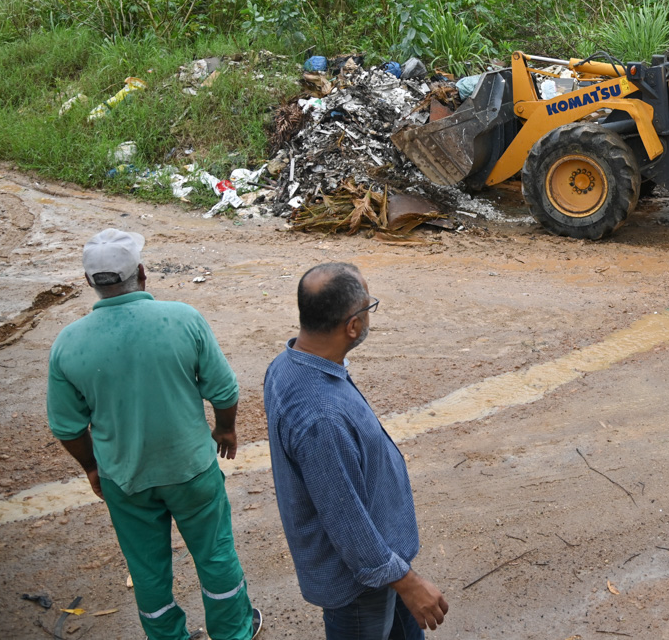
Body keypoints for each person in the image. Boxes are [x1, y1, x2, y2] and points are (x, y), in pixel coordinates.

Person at [47, 228, 262, 640]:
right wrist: (225, 429)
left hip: (125, 478)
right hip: (191, 469)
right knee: (215, 554)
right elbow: (224, 389)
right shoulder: (183, 319)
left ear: (89, 282)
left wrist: (92, 467)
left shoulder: (68, 343)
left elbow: (66, 426)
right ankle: (233, 631)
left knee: (147, 569)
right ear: (142, 273)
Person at [264, 263, 448, 640]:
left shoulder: (288, 364)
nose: (369, 314)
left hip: (385, 562)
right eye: (368, 307)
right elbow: (345, 521)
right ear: (352, 326)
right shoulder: (321, 417)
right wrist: (408, 583)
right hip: (362, 584)